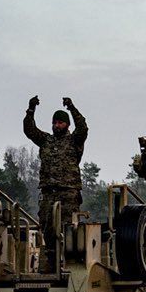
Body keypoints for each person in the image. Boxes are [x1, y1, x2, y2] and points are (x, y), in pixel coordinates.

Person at [21, 94, 88, 241]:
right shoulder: (46, 140)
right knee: (47, 230)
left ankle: (68, 254)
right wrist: (31, 109)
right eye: (54, 123)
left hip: (68, 194)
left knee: (69, 231)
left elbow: (83, 127)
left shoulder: (74, 140)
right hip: (48, 194)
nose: (57, 125)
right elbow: (29, 130)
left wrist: (71, 108)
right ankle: (49, 254)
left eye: (60, 123)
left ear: (67, 125)